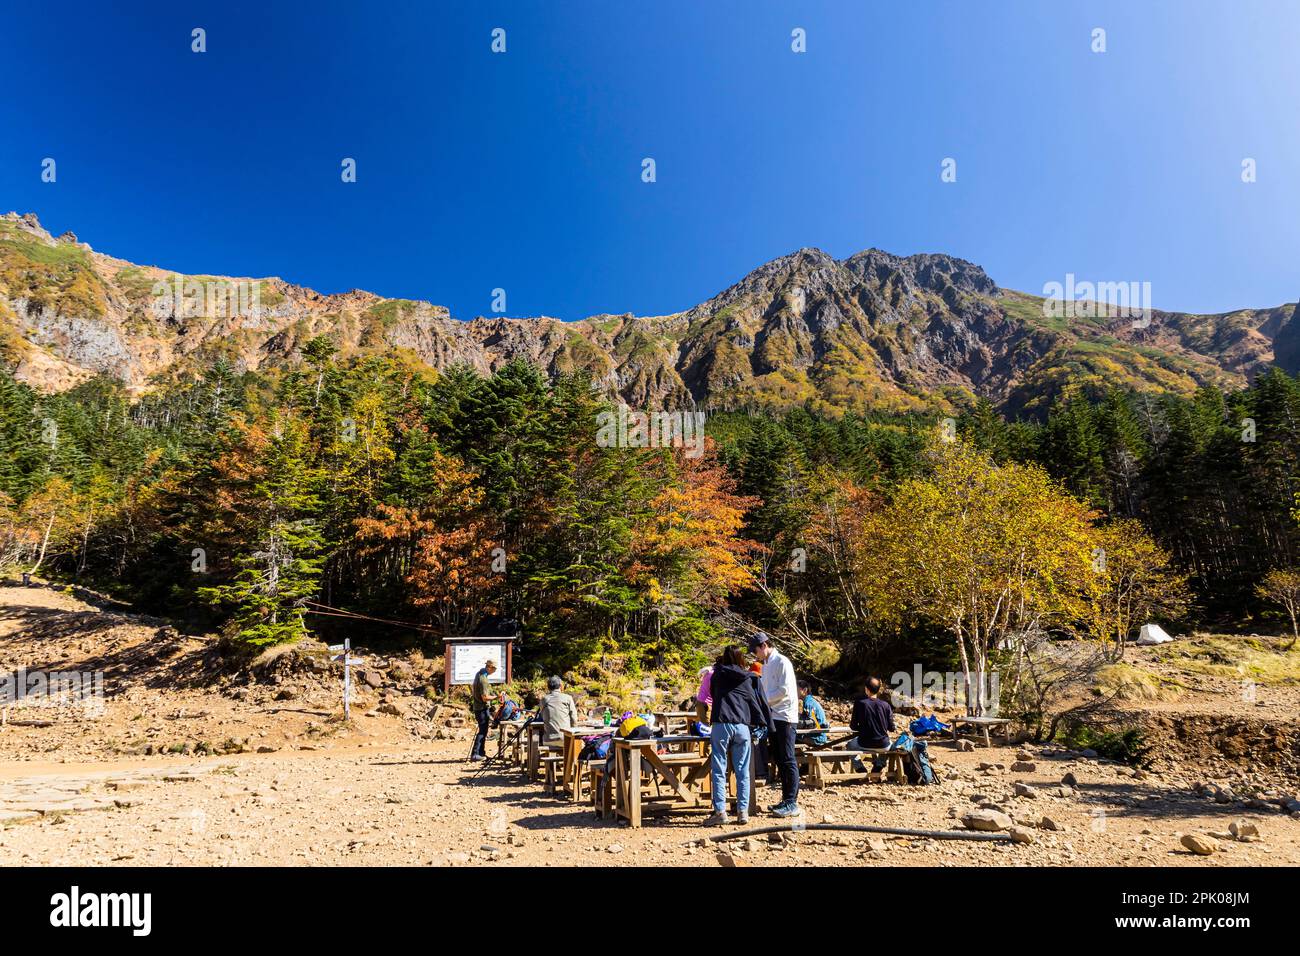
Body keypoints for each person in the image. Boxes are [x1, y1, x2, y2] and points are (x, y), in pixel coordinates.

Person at [705, 645, 770, 826]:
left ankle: (720, 812)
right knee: (742, 771)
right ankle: (743, 812)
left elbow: (711, 694)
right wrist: (761, 722)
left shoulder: (717, 675)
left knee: (719, 770)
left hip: (721, 724)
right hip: (742, 727)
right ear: (741, 659)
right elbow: (753, 701)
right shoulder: (747, 678)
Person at [749, 631, 800, 817]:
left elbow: (784, 690)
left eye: (756, 651)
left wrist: (763, 701)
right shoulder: (767, 664)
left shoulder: (782, 661)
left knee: (787, 758)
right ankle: (786, 800)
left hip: (785, 716)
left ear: (764, 645)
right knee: (779, 759)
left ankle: (792, 802)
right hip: (773, 716)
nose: (755, 655)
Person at [848, 676, 895, 774]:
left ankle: (860, 769)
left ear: (866, 689)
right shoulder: (886, 705)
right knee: (890, 746)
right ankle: (878, 766)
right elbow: (892, 728)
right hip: (883, 744)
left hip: (864, 743)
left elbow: (853, 726)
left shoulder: (859, 703)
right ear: (878, 690)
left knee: (849, 746)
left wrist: (863, 728)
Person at [468, 658, 497, 760]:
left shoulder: (479, 673)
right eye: (494, 668)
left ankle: (481, 753)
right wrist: (496, 697)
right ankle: (476, 754)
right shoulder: (483, 679)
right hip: (481, 708)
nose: (495, 671)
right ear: (489, 667)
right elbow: (485, 698)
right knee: (482, 731)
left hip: (478, 707)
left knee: (483, 731)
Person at [539, 675, 579, 745]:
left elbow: (543, 717)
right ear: (561, 686)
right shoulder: (568, 698)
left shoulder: (544, 700)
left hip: (548, 740)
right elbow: (574, 719)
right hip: (565, 739)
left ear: (548, 687)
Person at [798, 680, 829, 747]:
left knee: (790, 738)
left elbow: (811, 723)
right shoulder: (809, 701)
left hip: (817, 737)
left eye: (797, 690)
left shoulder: (809, 703)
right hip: (817, 735)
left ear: (805, 690)